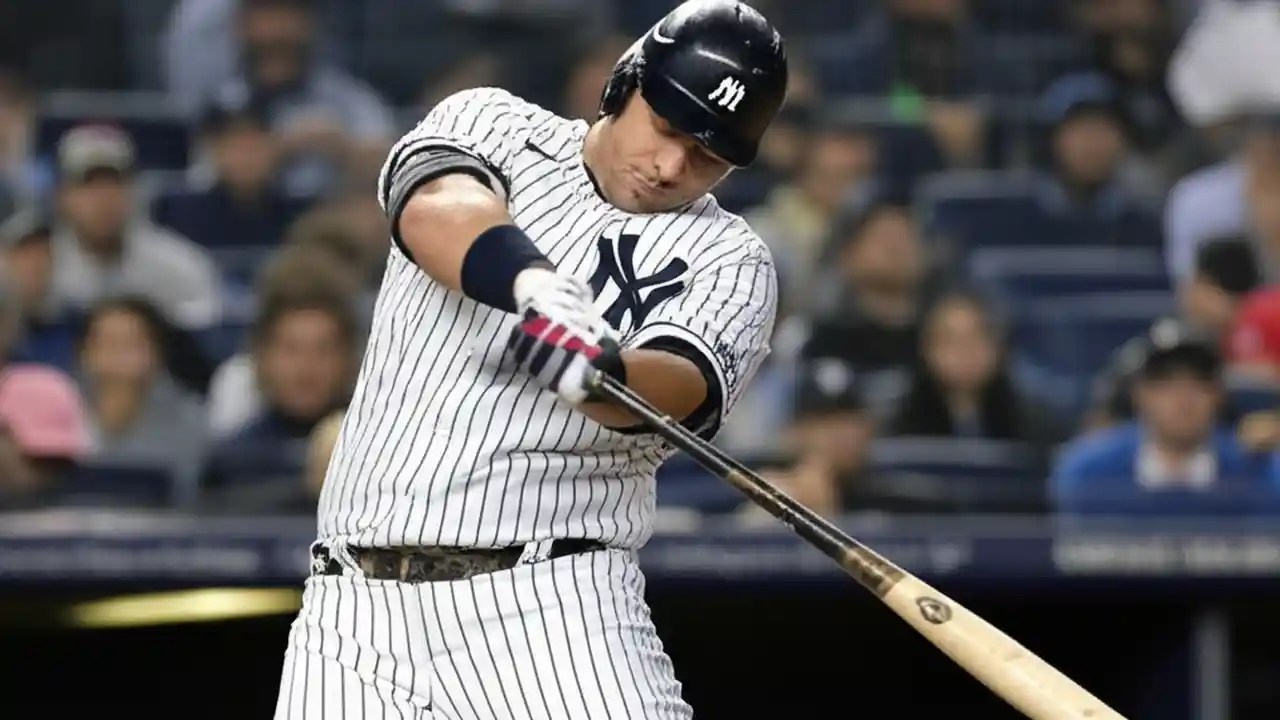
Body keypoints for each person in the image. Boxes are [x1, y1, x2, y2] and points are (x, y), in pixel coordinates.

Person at [274, 2, 787, 717]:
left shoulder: (732, 258)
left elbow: (680, 387)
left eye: (709, 154)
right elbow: (430, 207)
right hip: (349, 608)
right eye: (668, 127)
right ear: (623, 86)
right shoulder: (496, 125)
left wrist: (602, 375)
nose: (673, 165)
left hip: (550, 608)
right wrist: (533, 284)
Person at [1052, 319, 1280, 517]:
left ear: (1218, 395)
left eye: (1198, 384)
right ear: (1139, 393)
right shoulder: (1090, 471)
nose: (1183, 399)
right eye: (1165, 384)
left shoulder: (1257, 471)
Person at [75, 297, 209, 508]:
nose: (117, 355)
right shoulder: (57, 409)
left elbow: (189, 500)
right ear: (84, 354)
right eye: (106, 343)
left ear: (157, 354)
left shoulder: (190, 420)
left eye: (130, 344)